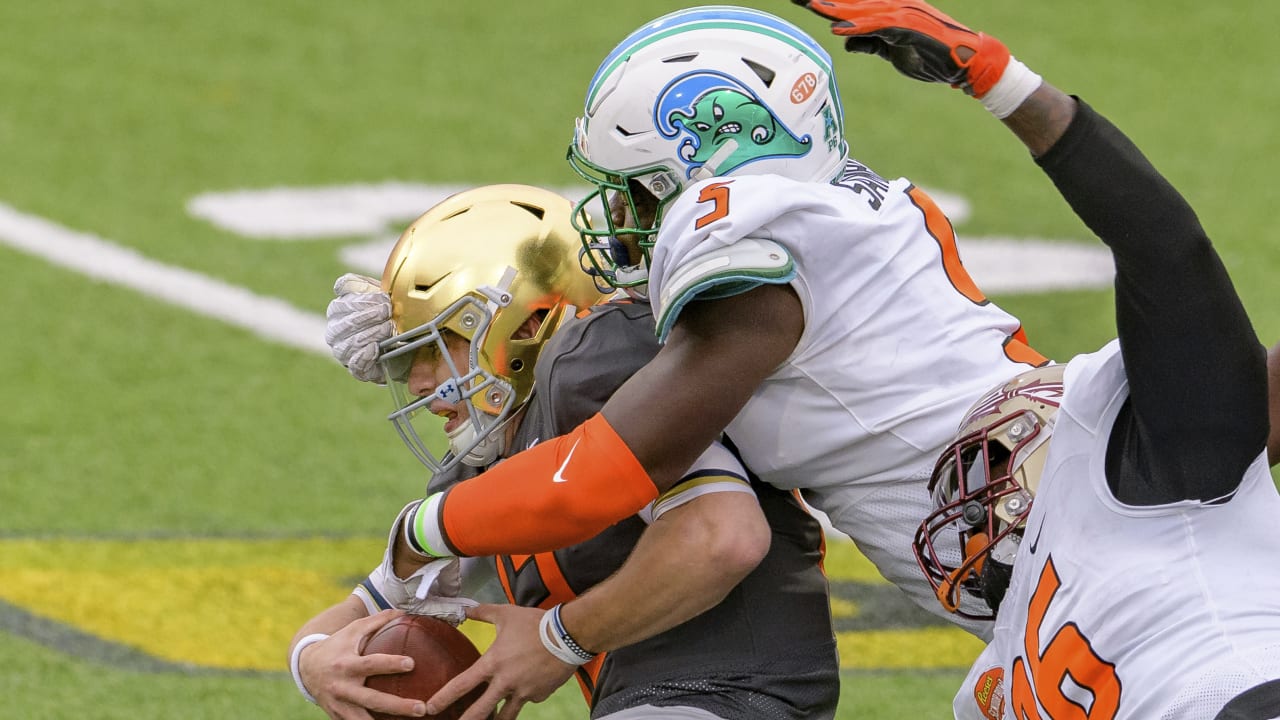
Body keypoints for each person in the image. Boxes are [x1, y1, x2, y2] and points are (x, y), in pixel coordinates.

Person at [328, 4, 1048, 646]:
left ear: (713, 153)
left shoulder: (742, 238)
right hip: (1038, 510)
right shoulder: (849, 205)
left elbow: (593, 480)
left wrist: (420, 534)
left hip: (1056, 549)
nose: (620, 219)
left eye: (637, 190)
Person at [780, 1, 1280, 717]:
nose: (987, 489)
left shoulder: (1182, 472)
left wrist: (999, 79)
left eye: (1013, 450)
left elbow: (1164, 245)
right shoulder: (996, 683)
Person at [294, 184, 839, 720]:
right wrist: (313, 661)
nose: (416, 384)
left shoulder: (592, 364)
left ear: (526, 324)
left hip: (727, 693)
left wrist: (558, 639)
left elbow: (722, 539)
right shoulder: (490, 458)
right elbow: (376, 600)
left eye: (437, 349)